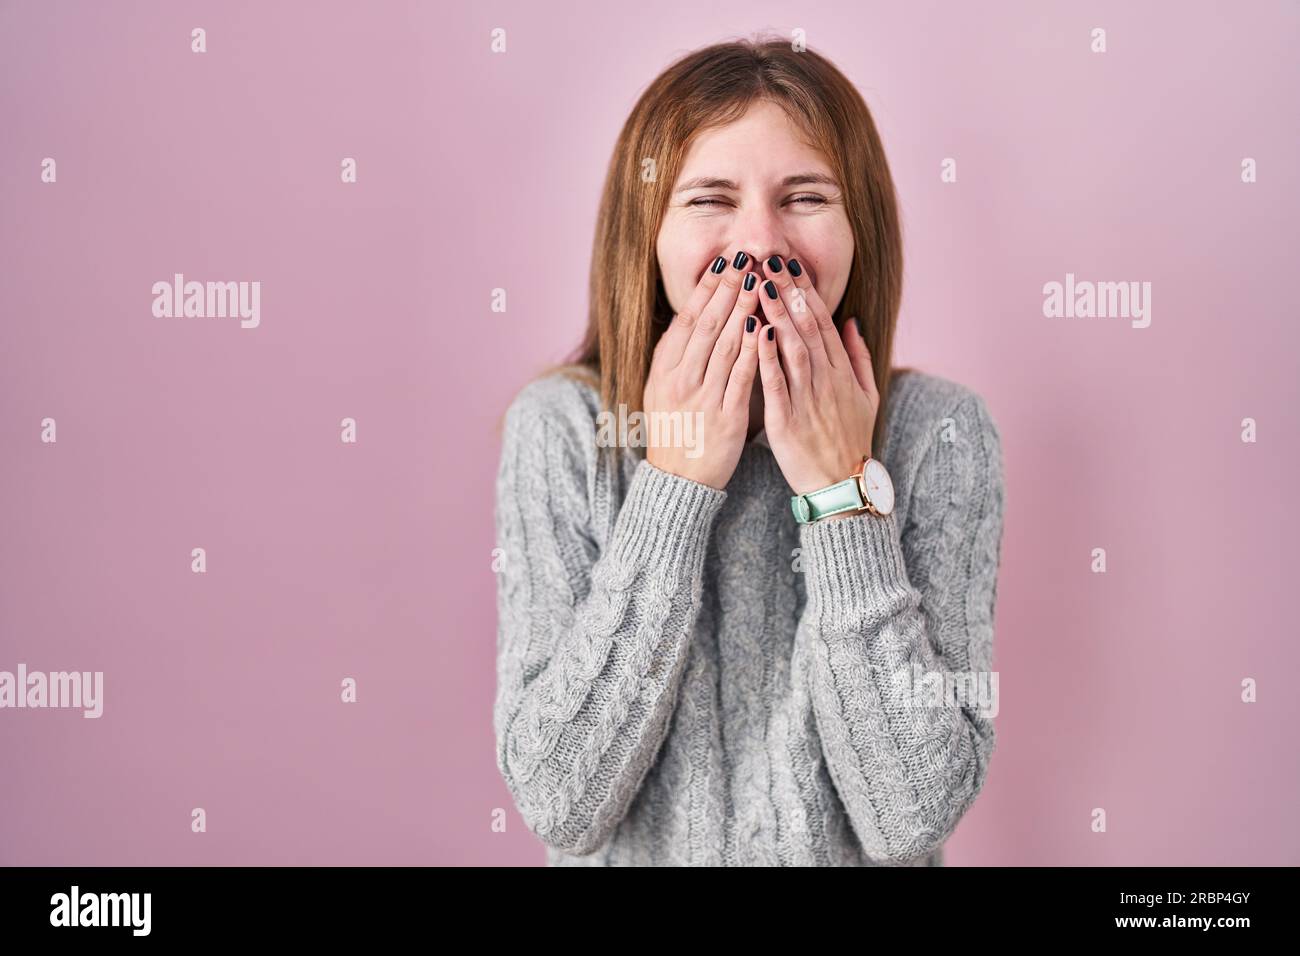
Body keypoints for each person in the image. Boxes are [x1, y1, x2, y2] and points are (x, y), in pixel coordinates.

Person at [492, 35, 1007, 866]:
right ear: (648, 236)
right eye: (709, 199)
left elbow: (912, 816)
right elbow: (561, 801)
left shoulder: (940, 432)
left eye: (804, 196)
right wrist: (674, 482)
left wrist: (841, 495)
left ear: (860, 228)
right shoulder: (559, 429)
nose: (760, 242)